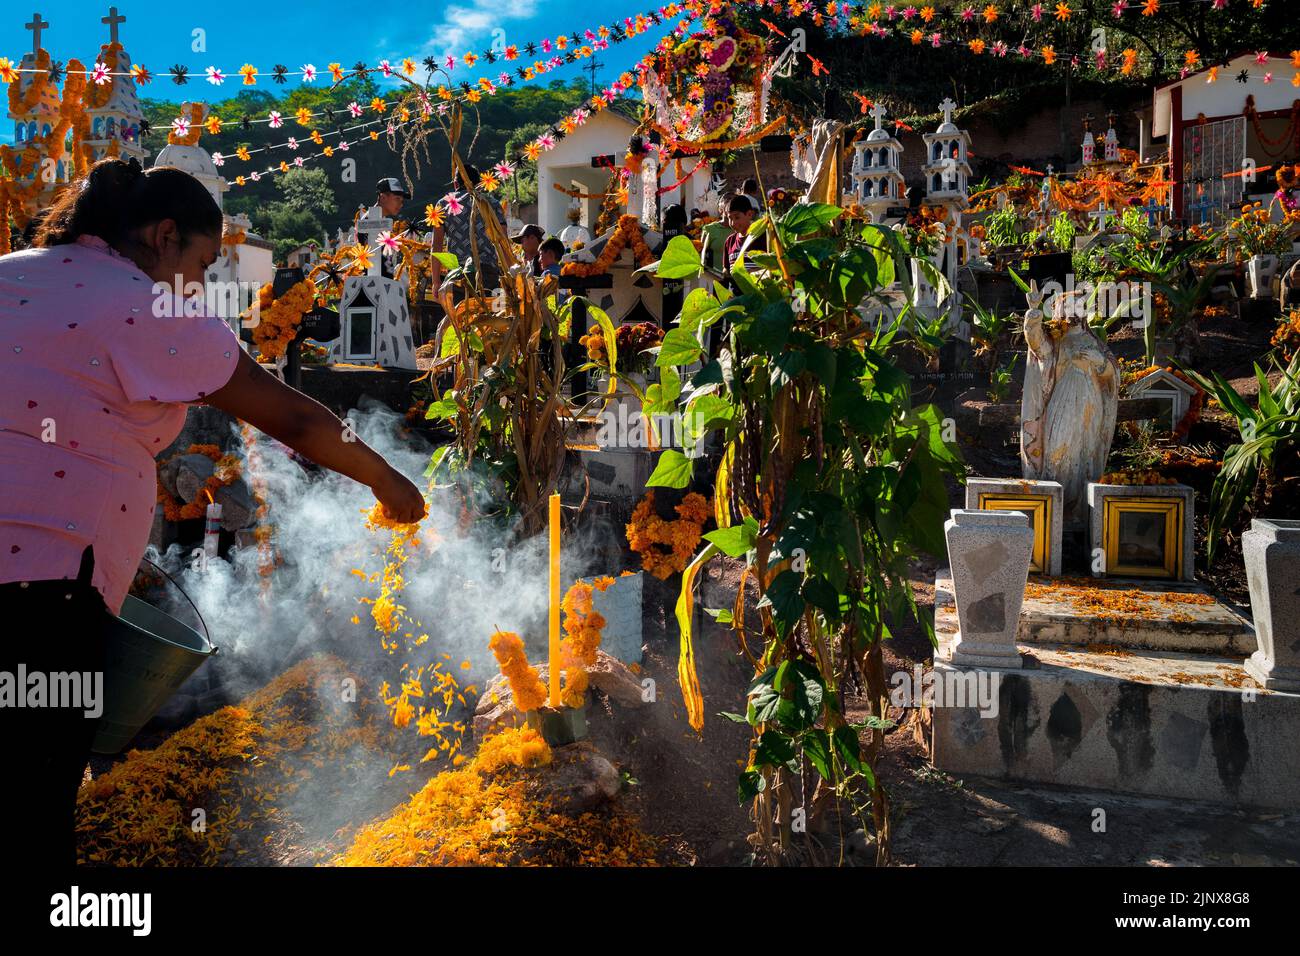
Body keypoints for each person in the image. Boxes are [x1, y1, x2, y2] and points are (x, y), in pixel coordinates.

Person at [0, 158, 425, 864]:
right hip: (42, 597)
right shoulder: (143, 305)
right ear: (165, 235)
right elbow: (294, 418)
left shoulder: (12, 269)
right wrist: (389, 484)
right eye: (200, 263)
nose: (198, 287)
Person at [443, 164, 503, 291]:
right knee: (489, 310)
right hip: (487, 270)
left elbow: (435, 246)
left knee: (460, 310)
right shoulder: (492, 203)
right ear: (479, 182)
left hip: (457, 274)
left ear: (455, 184)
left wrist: (437, 282)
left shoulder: (444, 205)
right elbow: (503, 240)